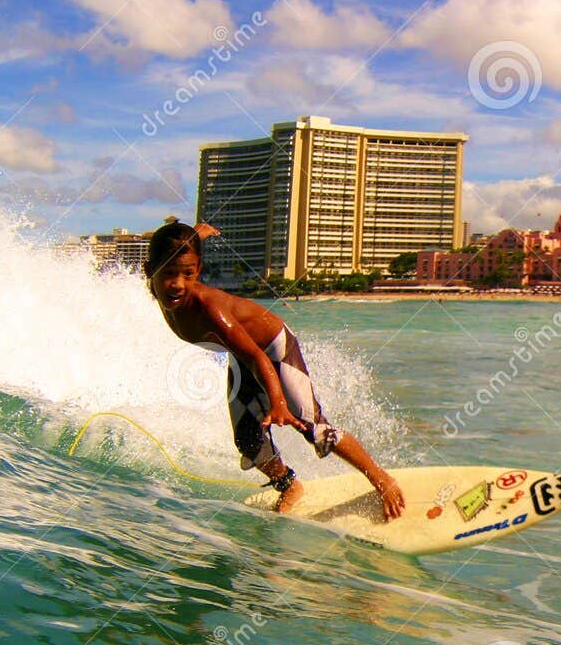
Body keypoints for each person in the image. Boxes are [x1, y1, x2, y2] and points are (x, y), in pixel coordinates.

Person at [143, 222, 404, 521]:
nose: (177, 284)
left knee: (312, 428)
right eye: (168, 273)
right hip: (241, 356)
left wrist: (278, 403)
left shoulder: (208, 309)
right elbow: (245, 356)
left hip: (273, 350)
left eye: (188, 273)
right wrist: (197, 234)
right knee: (248, 441)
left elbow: (257, 357)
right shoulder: (157, 283)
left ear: (199, 269)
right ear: (150, 270)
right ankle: (289, 485)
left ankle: (381, 479)